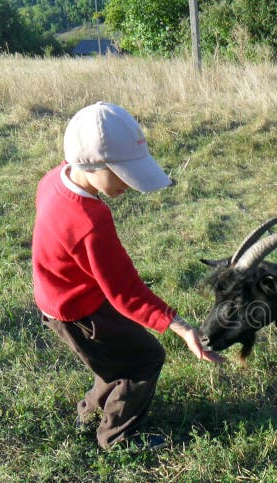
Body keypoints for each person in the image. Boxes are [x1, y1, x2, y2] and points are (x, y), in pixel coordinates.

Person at [32, 101, 222, 451]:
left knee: (112, 358)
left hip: (61, 298)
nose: (129, 184)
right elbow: (125, 292)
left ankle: (88, 413)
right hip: (79, 310)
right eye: (121, 172)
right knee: (142, 359)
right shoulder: (90, 222)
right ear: (90, 163)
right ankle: (117, 437)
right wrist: (180, 327)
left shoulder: (53, 181)